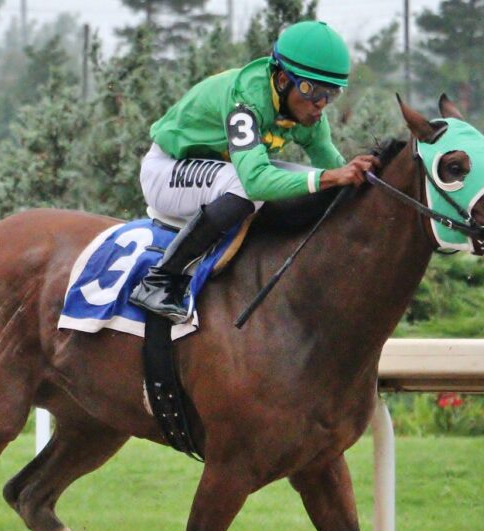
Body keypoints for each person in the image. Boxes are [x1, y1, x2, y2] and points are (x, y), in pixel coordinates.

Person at [129, 20, 379, 322]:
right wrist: (329, 178)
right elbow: (257, 182)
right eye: (312, 90)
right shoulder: (246, 101)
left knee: (308, 182)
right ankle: (160, 281)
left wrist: (364, 179)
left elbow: (334, 170)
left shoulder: (310, 115)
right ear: (282, 79)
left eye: (331, 93)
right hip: (166, 170)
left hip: (219, 170)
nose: (320, 105)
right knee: (249, 186)